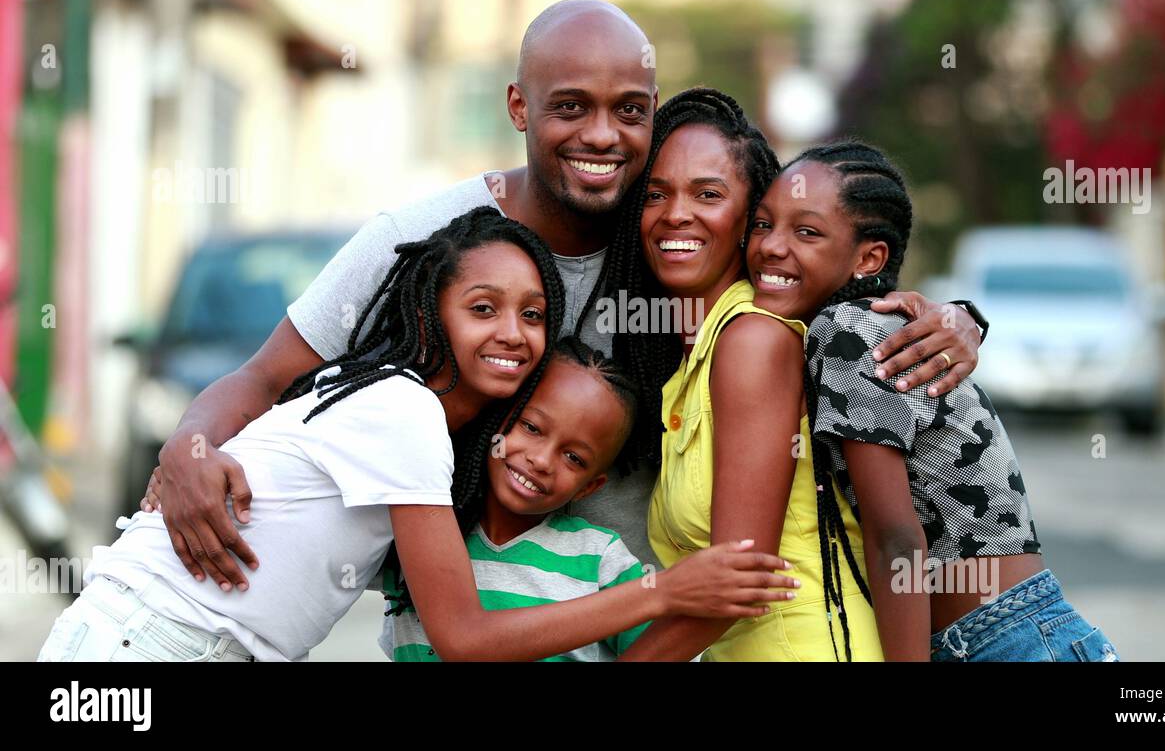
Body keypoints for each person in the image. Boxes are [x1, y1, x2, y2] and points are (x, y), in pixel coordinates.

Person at [143, 0, 981, 599]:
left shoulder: (672, 233)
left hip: (641, 625)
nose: (602, 136)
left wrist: (953, 318)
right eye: (570, 107)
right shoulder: (430, 239)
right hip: (468, 621)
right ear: (518, 107)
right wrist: (186, 445)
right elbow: (262, 378)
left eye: (630, 111)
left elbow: (813, 265)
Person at [40, 209, 793, 662]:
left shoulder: (417, 427)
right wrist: (665, 591)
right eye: (484, 307)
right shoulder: (403, 411)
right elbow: (462, 638)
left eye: (533, 314)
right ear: (431, 311)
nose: (513, 332)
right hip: (152, 640)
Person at [608, 89, 980, 661]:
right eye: (656, 194)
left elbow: (741, 581)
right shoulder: (695, 350)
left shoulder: (754, 338)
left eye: (708, 194)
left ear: (746, 216)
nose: (674, 213)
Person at [747, 139, 1119, 662]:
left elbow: (896, 538)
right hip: (1011, 631)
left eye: (806, 231)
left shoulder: (846, 331)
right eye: (763, 224)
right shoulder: (868, 326)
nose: (771, 246)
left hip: (1001, 640)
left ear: (869, 258)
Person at [386, 338, 658, 661]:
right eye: (530, 427)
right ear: (497, 417)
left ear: (589, 487)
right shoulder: (420, 535)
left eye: (573, 457)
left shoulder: (599, 559)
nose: (541, 460)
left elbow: (666, 647)